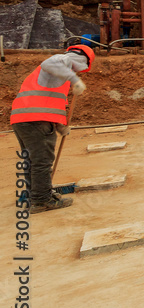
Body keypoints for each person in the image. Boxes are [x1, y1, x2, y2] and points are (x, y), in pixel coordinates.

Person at [11, 44, 95, 214]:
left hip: (23, 118)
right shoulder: (62, 60)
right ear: (81, 61)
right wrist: (75, 80)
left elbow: (48, 102)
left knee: (32, 161)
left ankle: (33, 195)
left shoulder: (58, 76)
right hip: (36, 120)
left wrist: (60, 126)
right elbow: (49, 63)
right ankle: (42, 200)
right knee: (41, 161)